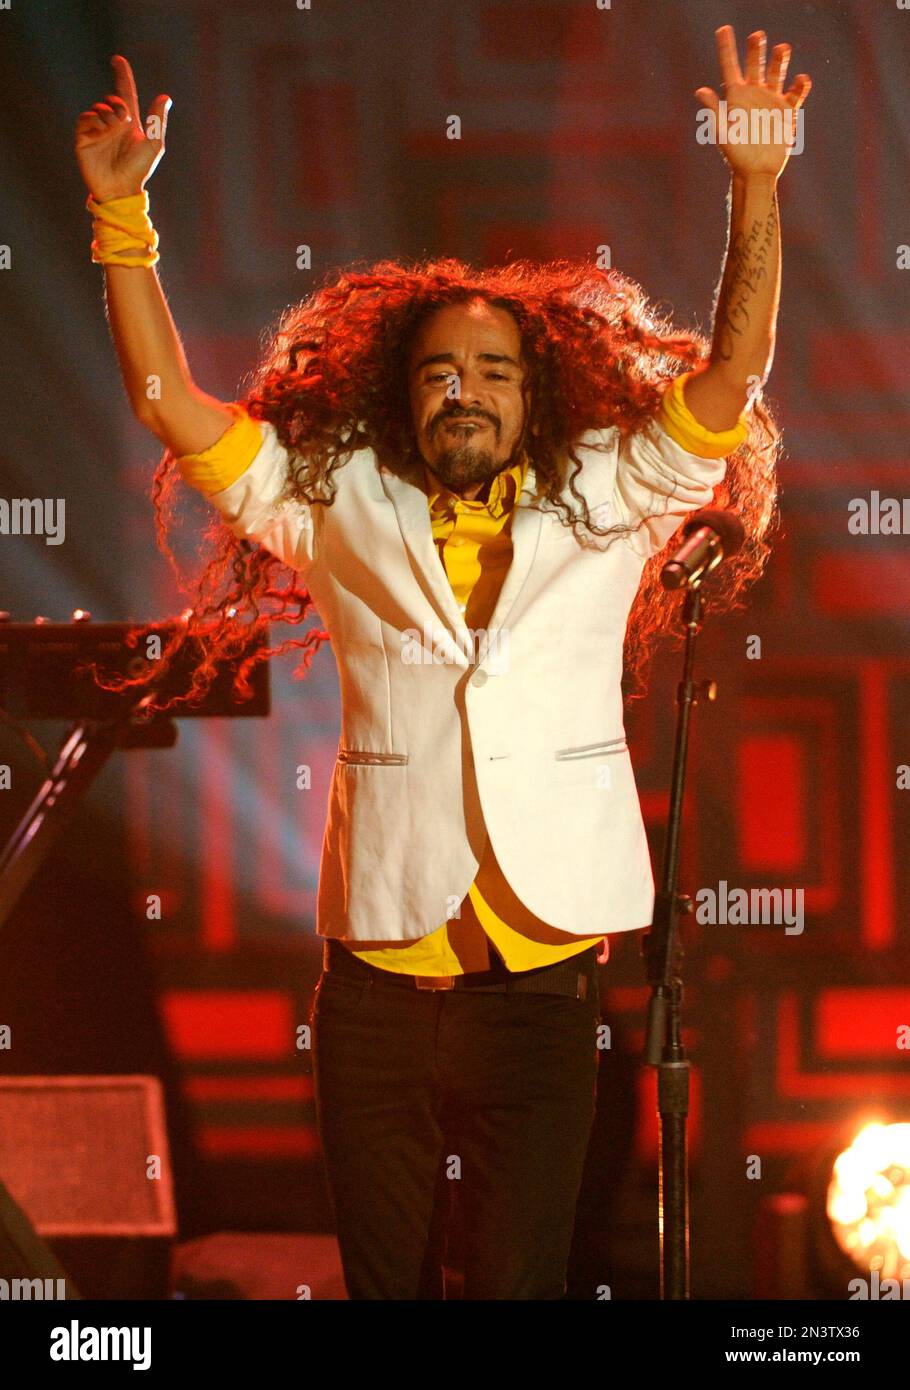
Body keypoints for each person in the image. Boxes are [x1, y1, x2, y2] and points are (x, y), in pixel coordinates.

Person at [75, 26, 810, 1299]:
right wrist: (121, 220)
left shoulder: (609, 492)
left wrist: (753, 185)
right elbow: (168, 402)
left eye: (491, 372)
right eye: (435, 375)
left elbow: (731, 370)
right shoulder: (335, 494)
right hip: (374, 994)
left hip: (539, 989)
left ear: (537, 393)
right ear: (397, 394)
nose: (462, 392)